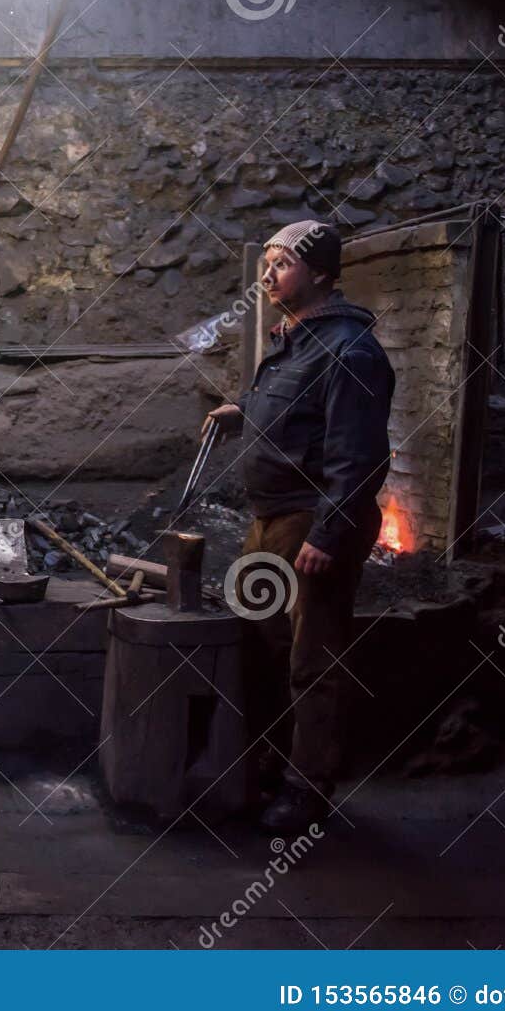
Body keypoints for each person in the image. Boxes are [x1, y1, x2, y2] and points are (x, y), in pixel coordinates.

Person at [203, 220, 394, 833]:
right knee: (263, 645)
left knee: (314, 658)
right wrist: (242, 411)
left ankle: (307, 787)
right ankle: (264, 760)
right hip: (270, 519)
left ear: (318, 272)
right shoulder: (292, 339)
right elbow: (292, 411)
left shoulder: (350, 349)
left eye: (282, 263)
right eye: (267, 261)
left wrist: (328, 534)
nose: (268, 273)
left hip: (310, 520)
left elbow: (358, 457)